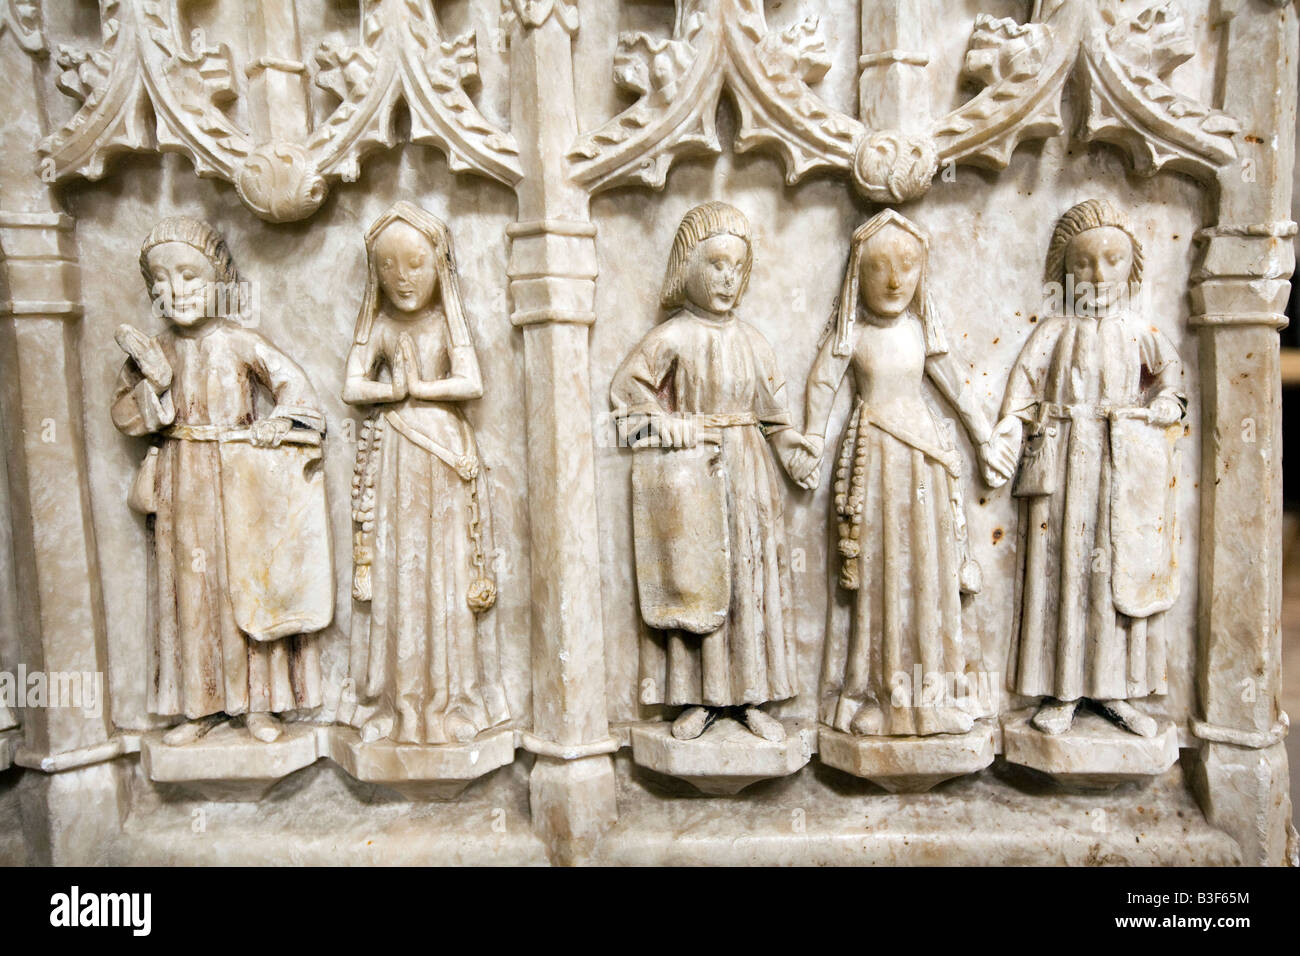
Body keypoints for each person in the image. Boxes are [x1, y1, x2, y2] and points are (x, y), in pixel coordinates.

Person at [112, 217, 331, 745]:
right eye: (161, 281)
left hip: (241, 482)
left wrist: (279, 424)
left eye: (190, 275)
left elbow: (298, 393)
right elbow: (124, 415)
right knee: (189, 592)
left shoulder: (239, 342)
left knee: (248, 588)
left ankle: (260, 705)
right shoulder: (153, 351)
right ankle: (198, 705)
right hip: (181, 483)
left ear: (221, 280)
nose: (176, 290)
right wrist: (155, 392)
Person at [792, 209, 1003, 737]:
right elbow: (822, 384)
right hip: (875, 462)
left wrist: (984, 440)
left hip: (925, 462)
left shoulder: (920, 331)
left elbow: (955, 386)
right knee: (881, 574)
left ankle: (938, 693)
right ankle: (878, 694)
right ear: (856, 276)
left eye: (906, 266)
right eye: (879, 267)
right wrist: (811, 443)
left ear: (921, 274)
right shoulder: (854, 334)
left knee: (930, 574)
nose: (893, 280)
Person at [610, 201, 812, 742]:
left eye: (737, 267)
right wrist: (664, 423)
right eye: (715, 263)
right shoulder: (671, 337)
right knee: (694, 577)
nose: (727, 277)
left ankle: (752, 698)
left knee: (750, 577)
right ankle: (698, 698)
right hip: (692, 475)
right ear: (686, 266)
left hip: (749, 473)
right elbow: (626, 402)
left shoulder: (754, 343)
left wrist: (793, 449)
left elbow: (776, 420)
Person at [983, 199, 1185, 737]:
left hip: (1123, 467)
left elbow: (1171, 384)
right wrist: (1008, 429)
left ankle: (1117, 692)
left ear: (1133, 266)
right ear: (1064, 273)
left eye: (1113, 260)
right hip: (1064, 467)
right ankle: (1064, 689)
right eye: (1084, 263)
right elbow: (1022, 392)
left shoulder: (1141, 331)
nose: (1099, 274)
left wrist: (1166, 406)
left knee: (1120, 572)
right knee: (1063, 573)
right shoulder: (1054, 332)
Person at [343, 202, 508, 745]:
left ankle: (451, 701)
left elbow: (471, 382)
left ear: (439, 265)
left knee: (447, 574)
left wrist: (417, 390)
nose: (402, 278)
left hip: (443, 456)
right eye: (388, 267)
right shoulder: (384, 326)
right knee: (398, 572)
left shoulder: (445, 320)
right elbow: (352, 386)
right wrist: (391, 392)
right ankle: (396, 705)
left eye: (414, 263)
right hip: (395, 458)